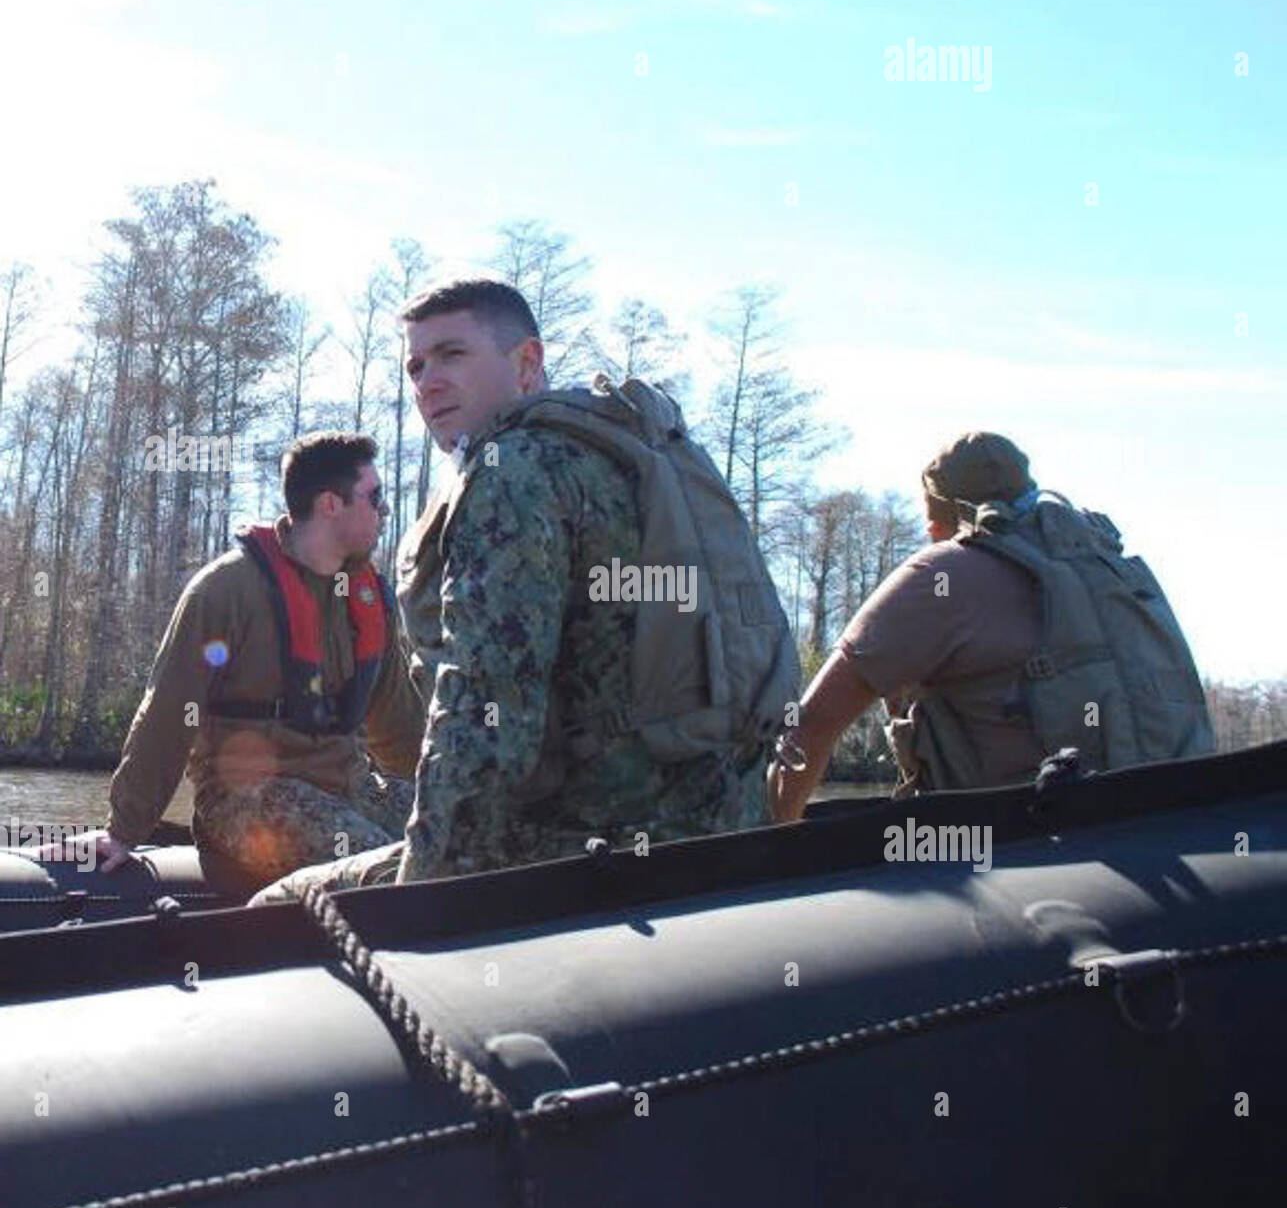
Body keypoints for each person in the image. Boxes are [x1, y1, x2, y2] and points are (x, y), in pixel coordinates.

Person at [249, 279, 797, 903]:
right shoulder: (634, 454)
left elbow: (486, 727)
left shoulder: (512, 474)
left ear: (527, 363)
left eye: (452, 355)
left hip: (589, 847)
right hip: (724, 827)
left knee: (277, 907)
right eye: (416, 365)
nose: (427, 382)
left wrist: (417, 905)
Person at [40, 433, 425, 892]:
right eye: (374, 496)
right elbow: (167, 710)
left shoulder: (366, 600)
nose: (383, 510)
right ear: (330, 504)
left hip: (346, 785)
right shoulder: (225, 590)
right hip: (246, 798)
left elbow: (401, 729)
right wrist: (124, 830)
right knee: (388, 874)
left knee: (463, 829)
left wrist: (444, 795)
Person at [768, 431, 1214, 820]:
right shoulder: (1108, 566)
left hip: (1019, 851)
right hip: (1166, 824)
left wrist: (774, 846)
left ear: (939, 514)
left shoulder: (939, 576)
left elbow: (810, 728)